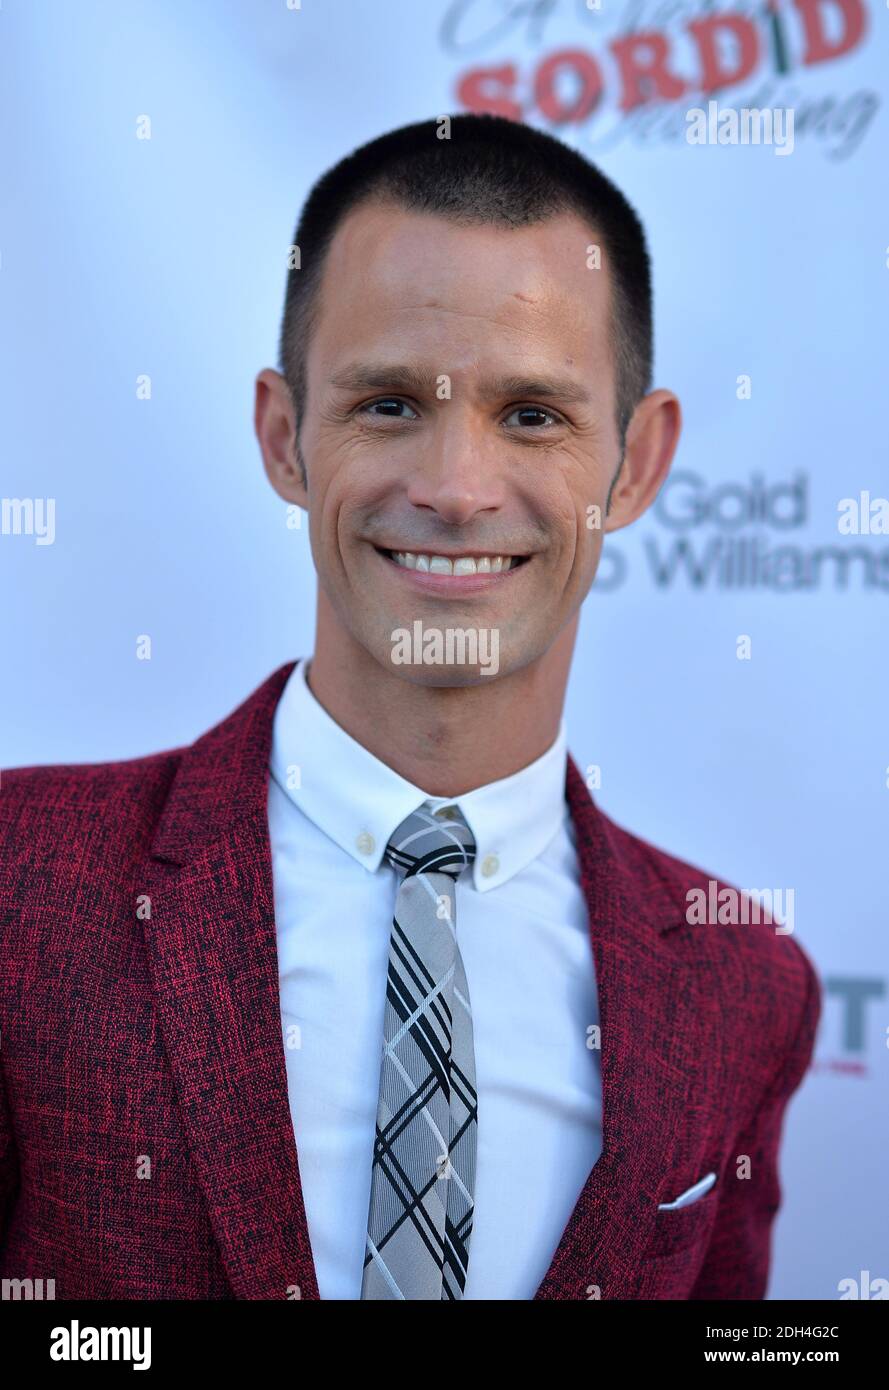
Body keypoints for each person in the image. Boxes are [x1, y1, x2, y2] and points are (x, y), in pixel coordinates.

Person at [0, 114, 820, 1301]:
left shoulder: (747, 985)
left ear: (634, 466)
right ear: (284, 437)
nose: (452, 488)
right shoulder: (22, 882)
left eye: (532, 415)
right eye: (387, 403)